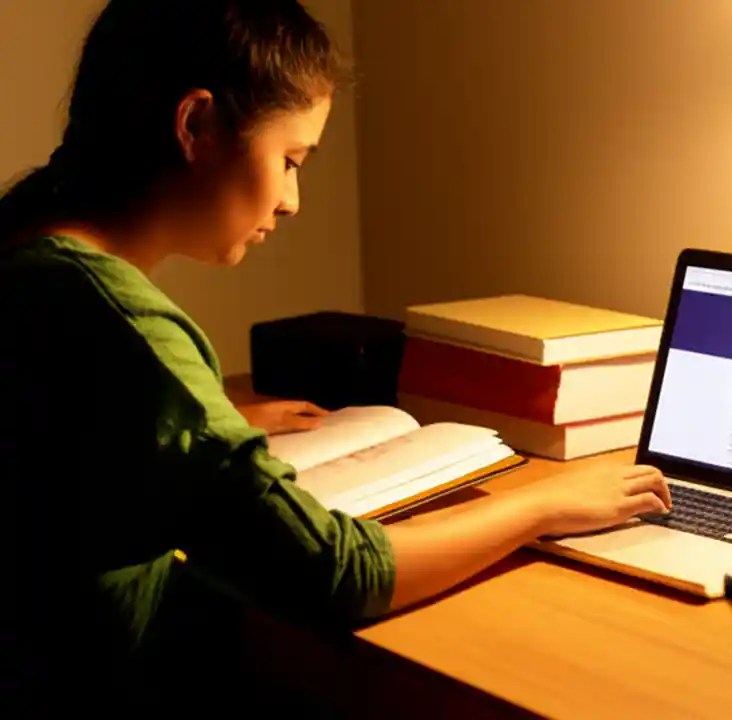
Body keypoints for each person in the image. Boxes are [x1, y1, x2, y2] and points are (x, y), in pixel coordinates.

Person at [0, 0, 670, 710]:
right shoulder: (118, 320)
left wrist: (212, 416)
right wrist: (541, 506)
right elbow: (334, 574)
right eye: (289, 159)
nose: (291, 200)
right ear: (196, 124)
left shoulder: (29, 255)